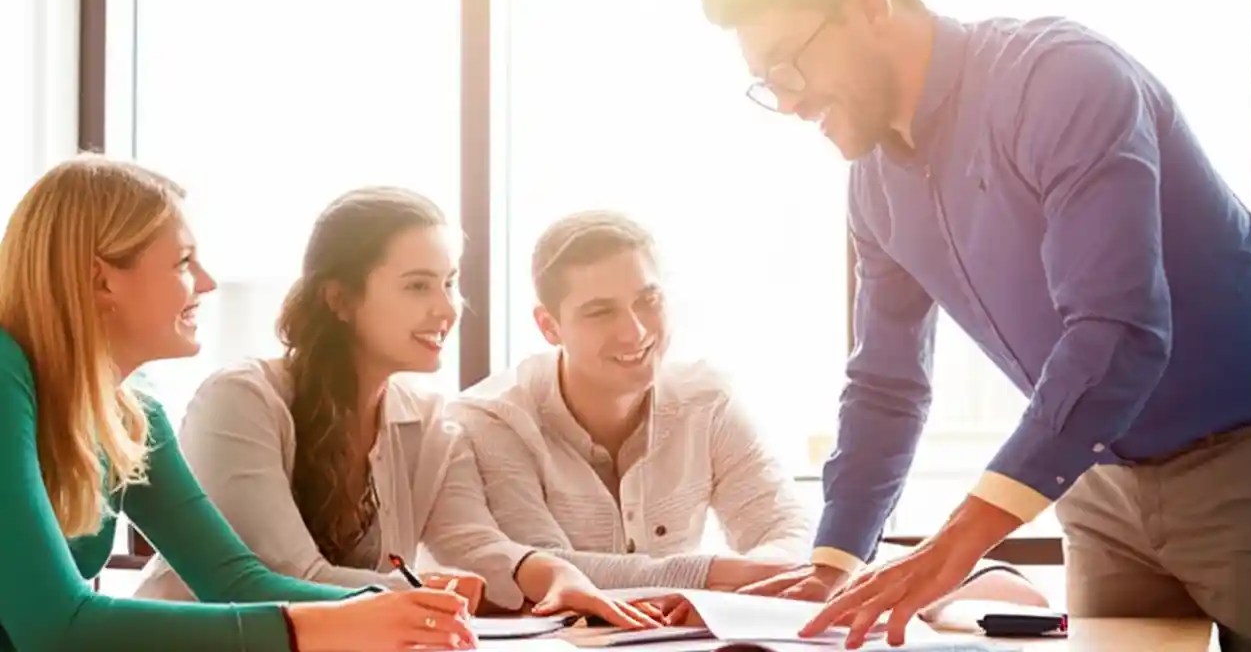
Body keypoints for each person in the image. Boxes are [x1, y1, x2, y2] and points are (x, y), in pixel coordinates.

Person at [701, 0, 1251, 649]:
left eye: (789, 63)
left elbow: (1118, 330)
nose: (789, 101)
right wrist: (833, 562)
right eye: (768, 83)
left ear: (869, 5)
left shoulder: (1061, 80)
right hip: (1097, 484)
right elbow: (885, 384)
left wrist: (957, 540)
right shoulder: (874, 187)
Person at [450, 210, 1047, 620]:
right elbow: (547, 568)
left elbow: (788, 536)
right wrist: (720, 577)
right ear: (549, 326)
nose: (634, 331)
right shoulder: (491, 419)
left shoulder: (706, 399)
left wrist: (743, 584)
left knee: (1006, 593)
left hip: (674, 639)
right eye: (600, 312)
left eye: (648, 300)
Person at [0, 157, 474, 652]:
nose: (206, 282)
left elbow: (235, 582)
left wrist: (398, 611)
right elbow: (56, 626)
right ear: (102, 281)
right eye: (183, 262)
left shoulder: (132, 415)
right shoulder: (4, 373)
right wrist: (331, 625)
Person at [134, 187, 662, 630]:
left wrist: (555, 575)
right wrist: (423, 591)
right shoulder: (242, 399)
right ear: (340, 299)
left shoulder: (430, 422)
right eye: (417, 286)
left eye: (449, 283)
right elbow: (286, 578)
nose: (447, 308)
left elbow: (472, 540)